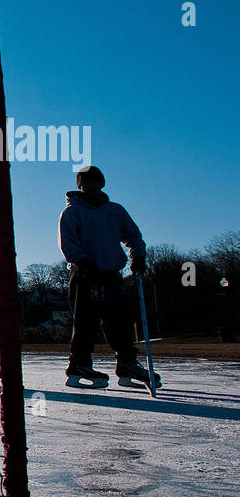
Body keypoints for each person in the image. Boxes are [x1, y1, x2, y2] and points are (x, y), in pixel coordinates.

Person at [58, 165, 161, 390]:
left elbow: (133, 236)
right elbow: (68, 242)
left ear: (102, 183)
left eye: (96, 181)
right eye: (87, 182)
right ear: (80, 185)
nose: (92, 186)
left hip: (112, 274)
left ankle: (127, 364)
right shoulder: (72, 212)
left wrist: (138, 256)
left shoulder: (115, 210)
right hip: (85, 274)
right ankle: (79, 365)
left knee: (122, 320)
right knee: (86, 321)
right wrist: (82, 262)